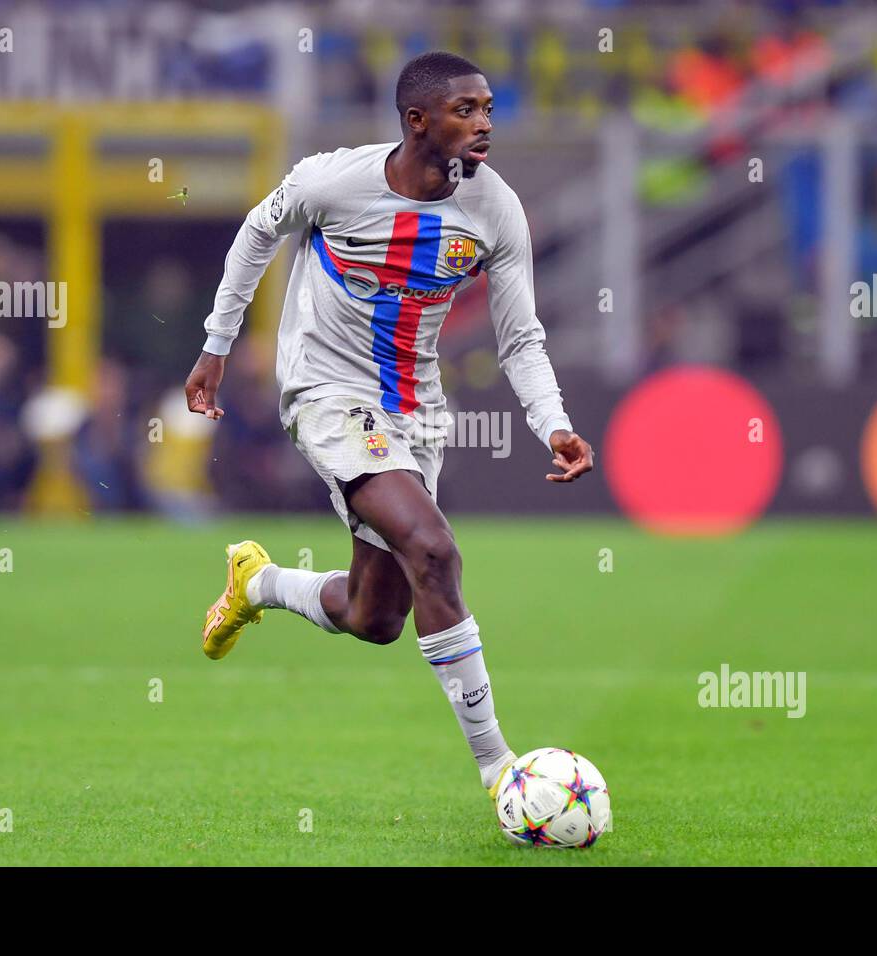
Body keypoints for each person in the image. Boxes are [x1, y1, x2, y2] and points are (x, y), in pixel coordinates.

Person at [183, 51, 594, 800]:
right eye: (465, 110)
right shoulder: (332, 181)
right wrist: (217, 344)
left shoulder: (494, 210)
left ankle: (259, 581)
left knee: (376, 617)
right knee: (432, 548)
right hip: (326, 391)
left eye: (489, 109)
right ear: (417, 121)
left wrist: (553, 423)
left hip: (415, 411)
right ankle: (500, 769)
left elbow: (521, 336)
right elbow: (255, 234)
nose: (483, 125)